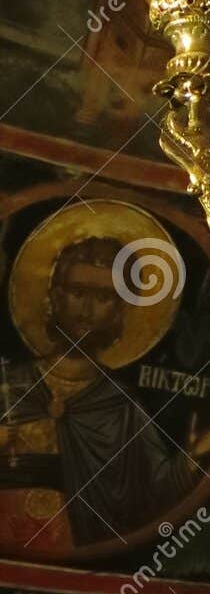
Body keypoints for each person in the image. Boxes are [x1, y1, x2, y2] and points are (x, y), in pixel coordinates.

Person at [0, 237, 199, 553]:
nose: (87, 310)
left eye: (104, 297)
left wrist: (199, 453)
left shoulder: (120, 404)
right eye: (78, 293)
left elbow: (153, 494)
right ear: (55, 295)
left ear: (121, 309)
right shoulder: (8, 384)